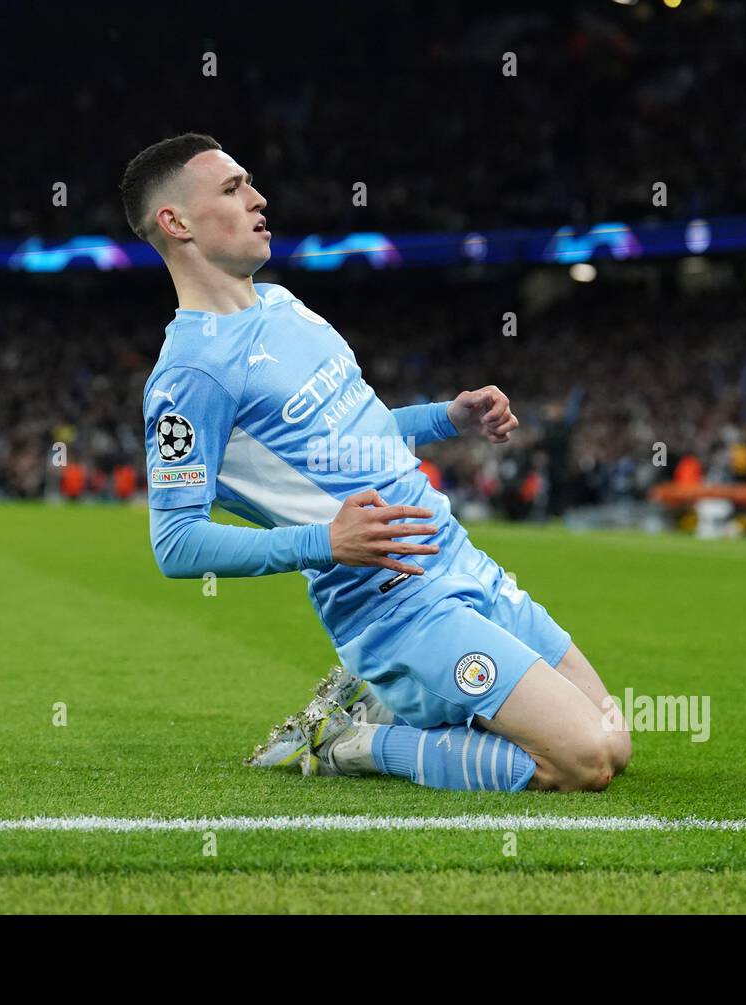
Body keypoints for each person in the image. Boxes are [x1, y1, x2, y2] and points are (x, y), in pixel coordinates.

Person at [120, 134, 630, 792]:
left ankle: (386, 701)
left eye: (249, 182)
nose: (257, 197)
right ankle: (351, 740)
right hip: (394, 609)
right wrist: (324, 542)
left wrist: (446, 418)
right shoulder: (190, 374)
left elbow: (350, 436)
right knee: (582, 762)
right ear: (176, 222)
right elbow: (176, 541)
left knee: (615, 739)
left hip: (458, 558)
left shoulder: (283, 305)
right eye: (232, 188)